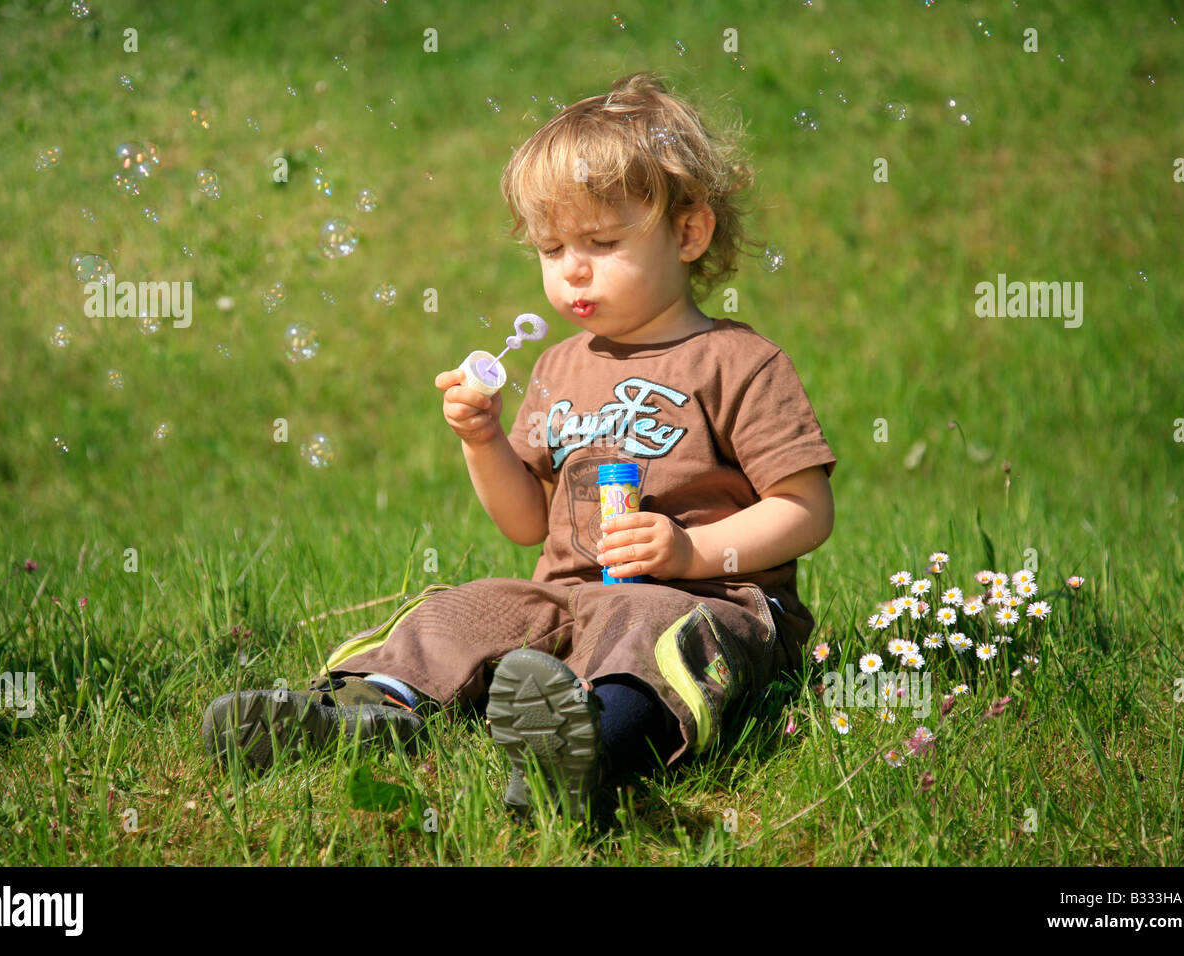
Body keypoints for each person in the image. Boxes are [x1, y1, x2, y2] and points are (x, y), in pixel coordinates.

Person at [201, 72, 837, 820]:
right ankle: (359, 714)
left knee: (645, 629)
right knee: (463, 610)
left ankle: (591, 748)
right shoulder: (559, 367)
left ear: (688, 234)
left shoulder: (737, 362)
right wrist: (483, 440)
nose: (571, 267)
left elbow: (805, 509)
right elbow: (527, 525)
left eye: (602, 241)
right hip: (567, 597)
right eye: (550, 246)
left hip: (707, 602)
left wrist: (690, 554)